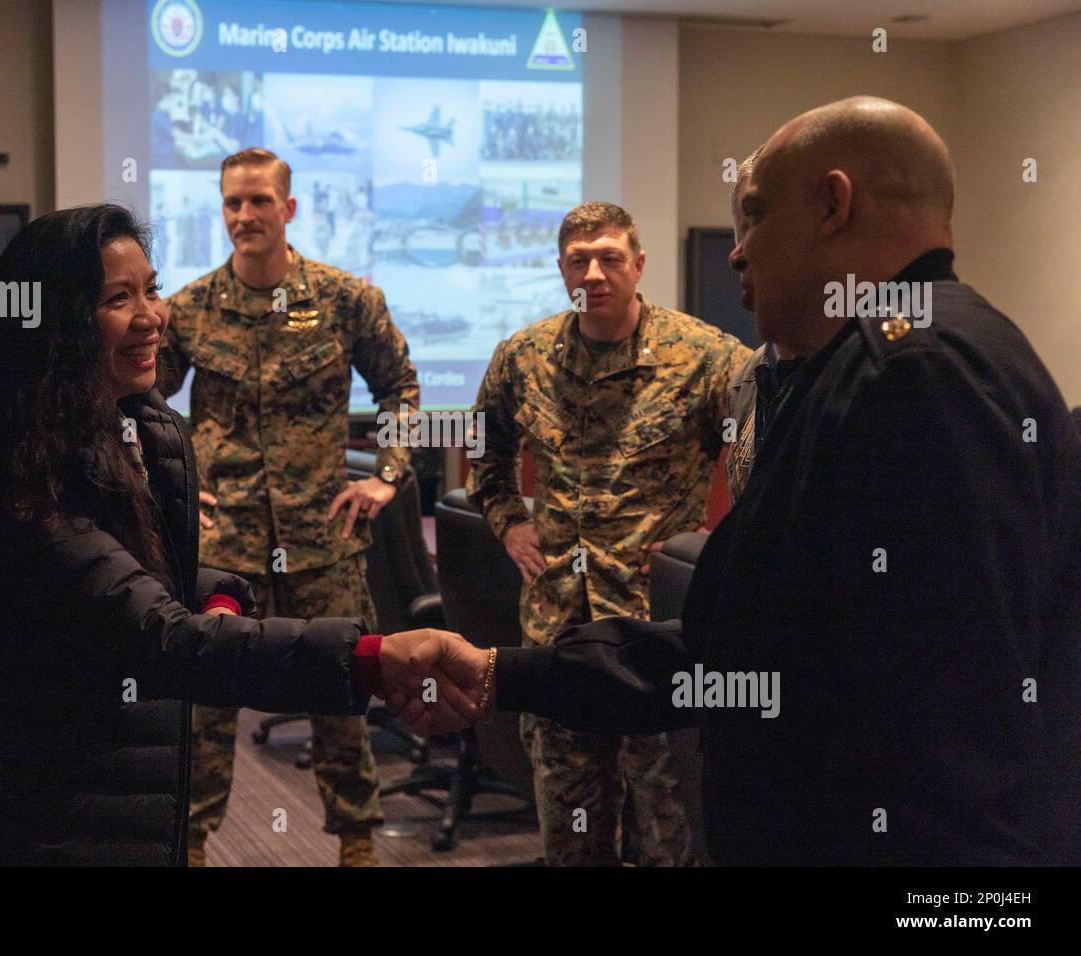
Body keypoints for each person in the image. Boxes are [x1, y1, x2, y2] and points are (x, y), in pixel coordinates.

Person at [392, 97, 1081, 866]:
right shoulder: (889, 357)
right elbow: (770, 646)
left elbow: (949, 743)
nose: (736, 252)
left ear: (833, 204)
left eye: (753, 215)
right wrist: (505, 668)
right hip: (582, 633)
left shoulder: (911, 376)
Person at [0, 204, 463, 866]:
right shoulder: (11, 469)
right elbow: (159, 635)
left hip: (112, 799)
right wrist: (368, 658)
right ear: (57, 323)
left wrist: (214, 589)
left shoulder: (124, 429)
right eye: (118, 298)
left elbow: (135, 582)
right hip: (41, 821)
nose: (153, 315)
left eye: (150, 289)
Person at [467, 201, 750, 866]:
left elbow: (763, 455)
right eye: (577, 260)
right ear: (561, 268)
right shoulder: (525, 356)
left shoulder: (703, 357)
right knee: (571, 830)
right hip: (559, 629)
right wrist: (509, 522)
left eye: (610, 258)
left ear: (639, 264)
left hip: (656, 634)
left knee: (669, 832)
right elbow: (485, 451)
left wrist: (721, 555)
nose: (593, 273)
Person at [159, 147, 419, 867]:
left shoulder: (344, 299)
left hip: (323, 539)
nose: (245, 216)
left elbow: (400, 384)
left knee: (341, 700)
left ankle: (358, 847)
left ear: (289, 209)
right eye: (232, 204)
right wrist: (165, 484)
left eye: (259, 202)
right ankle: (192, 848)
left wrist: (388, 476)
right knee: (206, 706)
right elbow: (136, 402)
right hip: (223, 543)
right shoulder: (189, 309)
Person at [724, 148, 806, 502]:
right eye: (738, 231)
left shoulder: (875, 371)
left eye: (757, 225)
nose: (737, 255)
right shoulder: (752, 373)